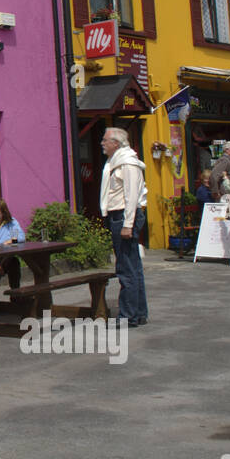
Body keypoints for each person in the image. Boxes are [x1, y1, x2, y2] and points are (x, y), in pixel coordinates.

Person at [100, 127, 148, 326]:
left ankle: (128, 315)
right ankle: (138, 312)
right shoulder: (116, 161)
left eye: (105, 140)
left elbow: (132, 196)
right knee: (132, 266)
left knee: (126, 267)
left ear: (116, 143)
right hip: (118, 215)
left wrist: (127, 224)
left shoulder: (127, 163)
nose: (102, 143)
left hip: (124, 216)